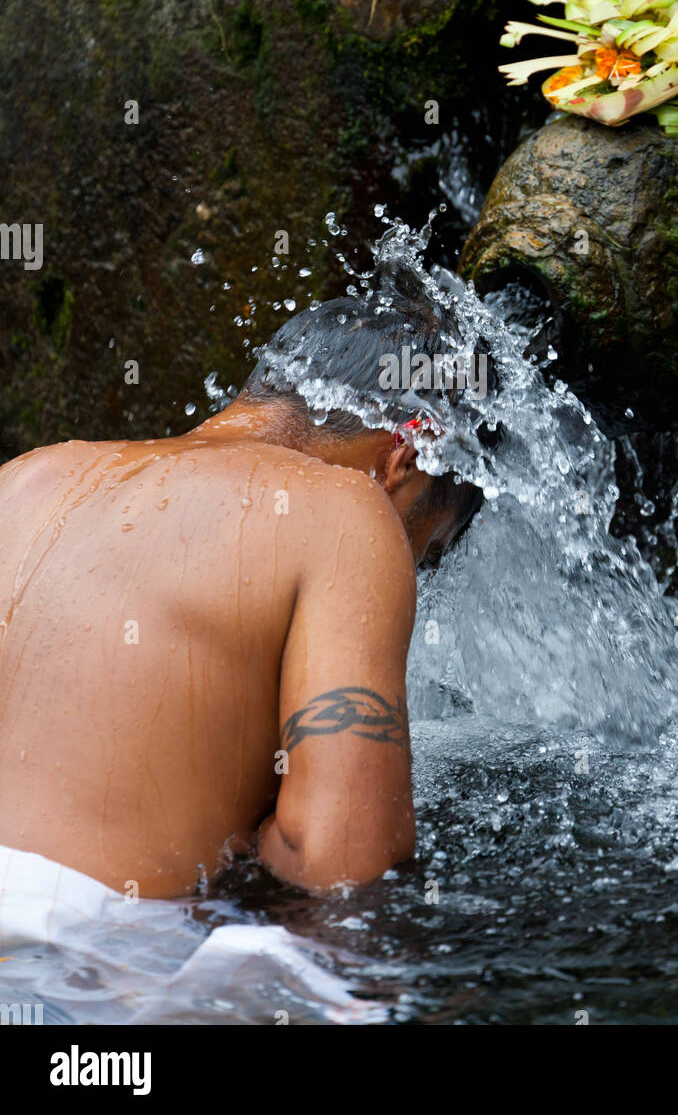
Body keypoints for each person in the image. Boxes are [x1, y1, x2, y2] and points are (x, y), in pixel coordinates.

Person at [0, 289, 489, 898]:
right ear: (410, 455)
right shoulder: (346, 507)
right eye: (427, 550)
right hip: (90, 961)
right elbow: (341, 863)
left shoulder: (24, 479)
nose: (411, 570)